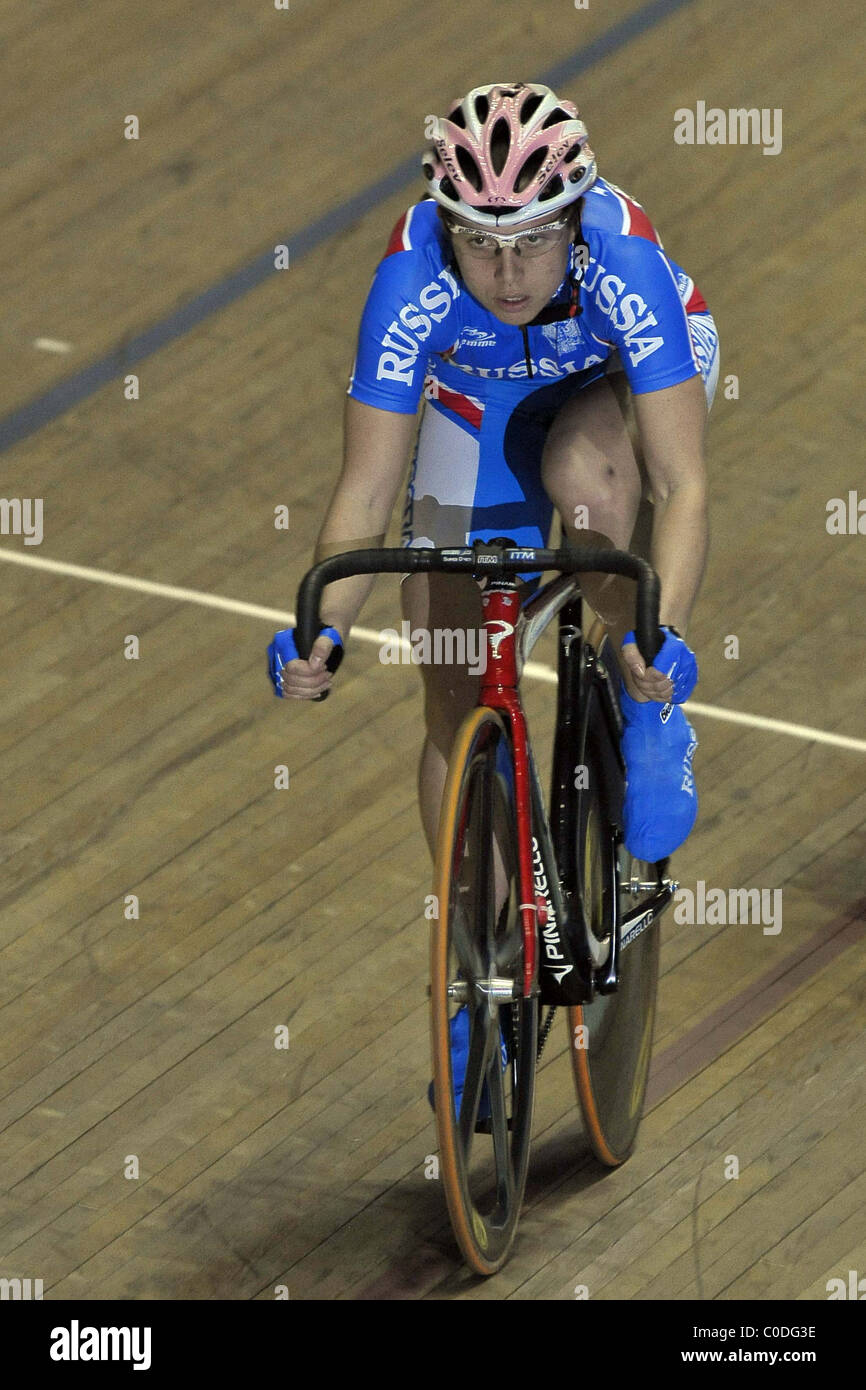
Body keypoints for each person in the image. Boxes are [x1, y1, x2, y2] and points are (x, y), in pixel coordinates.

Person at [270, 81, 718, 873]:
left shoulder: (626, 263)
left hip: (608, 379)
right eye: (480, 244)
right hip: (480, 396)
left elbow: (681, 484)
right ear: (447, 228)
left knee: (579, 470)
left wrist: (665, 631)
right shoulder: (409, 282)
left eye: (535, 241)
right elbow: (366, 491)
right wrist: (323, 626)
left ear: (576, 222)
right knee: (447, 657)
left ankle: (647, 704)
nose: (509, 274)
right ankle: (482, 947)